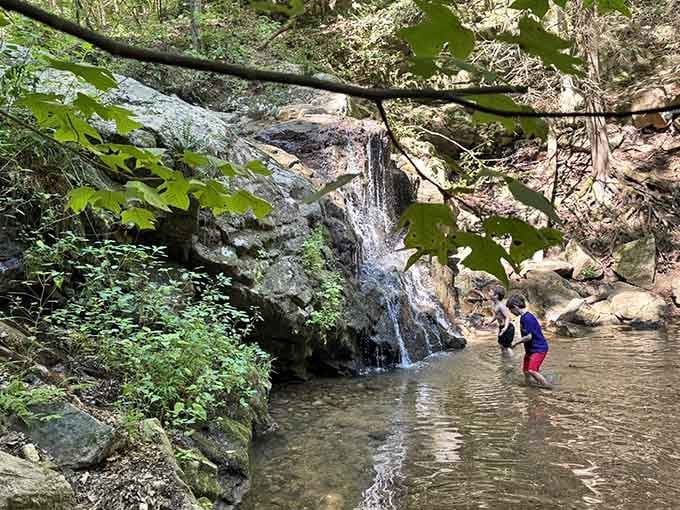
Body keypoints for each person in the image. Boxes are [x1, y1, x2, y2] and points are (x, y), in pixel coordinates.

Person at [506, 294, 551, 388]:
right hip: (530, 349)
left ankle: (549, 388)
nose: (511, 312)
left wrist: (515, 343)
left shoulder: (527, 318)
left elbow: (529, 336)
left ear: (515, 307)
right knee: (526, 371)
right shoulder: (523, 317)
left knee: (532, 370)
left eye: (511, 310)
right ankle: (529, 388)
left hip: (539, 349)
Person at [487, 286, 514, 357]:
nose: (488, 293)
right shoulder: (493, 304)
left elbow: (508, 317)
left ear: (496, 296)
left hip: (508, 327)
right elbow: (496, 315)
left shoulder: (501, 306)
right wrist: (490, 322)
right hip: (502, 327)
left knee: (506, 346)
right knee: (501, 345)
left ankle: (511, 362)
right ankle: (505, 359)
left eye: (490, 292)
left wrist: (505, 328)